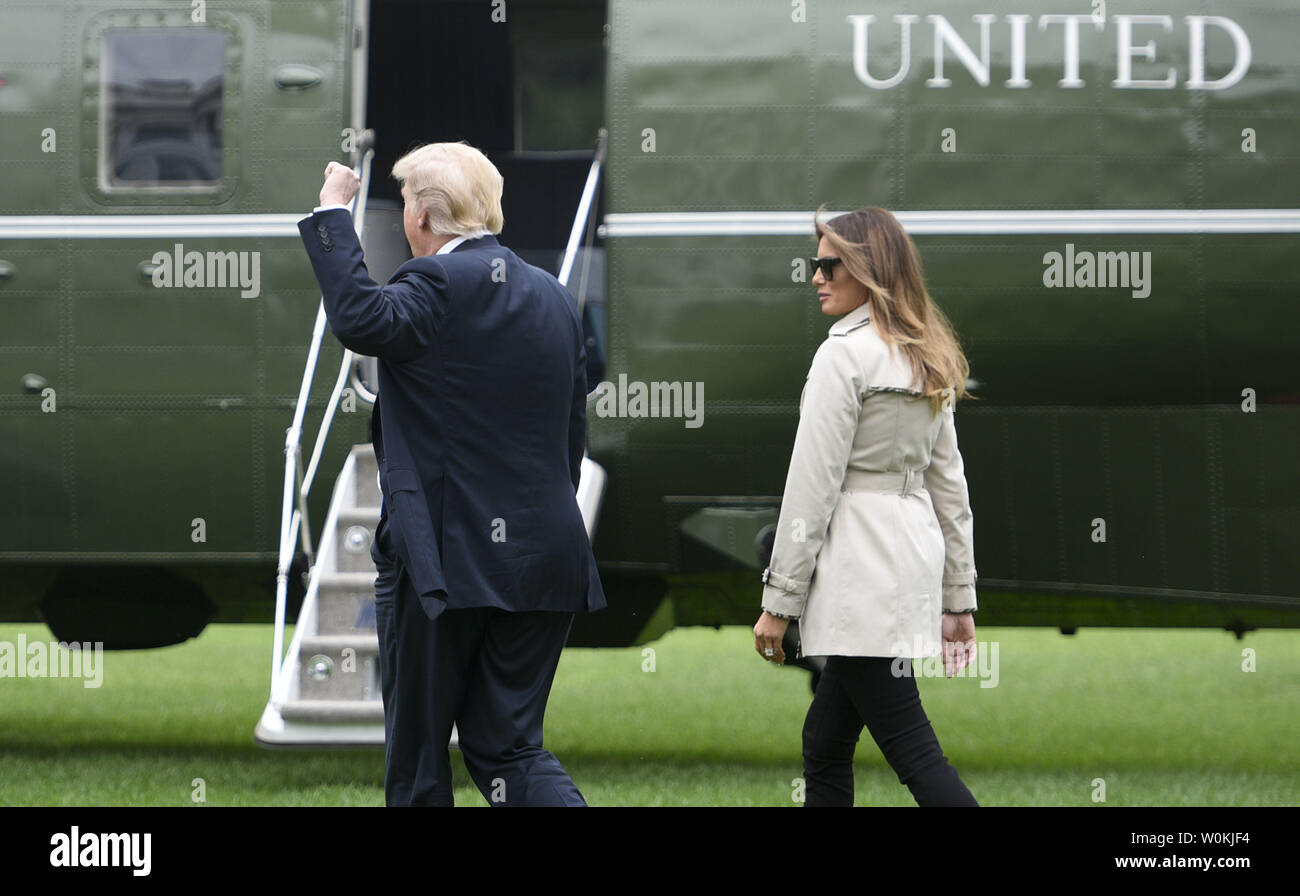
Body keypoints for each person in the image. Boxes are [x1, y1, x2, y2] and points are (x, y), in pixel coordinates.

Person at [299, 142, 605, 806]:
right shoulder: (553, 296)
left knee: (418, 756)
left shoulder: (435, 284)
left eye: (407, 202)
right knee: (509, 748)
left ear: (425, 217)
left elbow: (360, 319)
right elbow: (571, 436)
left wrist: (331, 213)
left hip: (445, 559)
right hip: (546, 554)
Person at [753, 206, 980, 807]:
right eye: (815, 263)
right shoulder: (925, 352)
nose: (816, 277)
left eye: (830, 265)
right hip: (908, 563)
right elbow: (949, 485)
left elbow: (812, 486)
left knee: (913, 752)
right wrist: (958, 595)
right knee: (824, 741)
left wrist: (779, 603)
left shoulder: (842, 356)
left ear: (869, 269)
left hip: (858, 575)